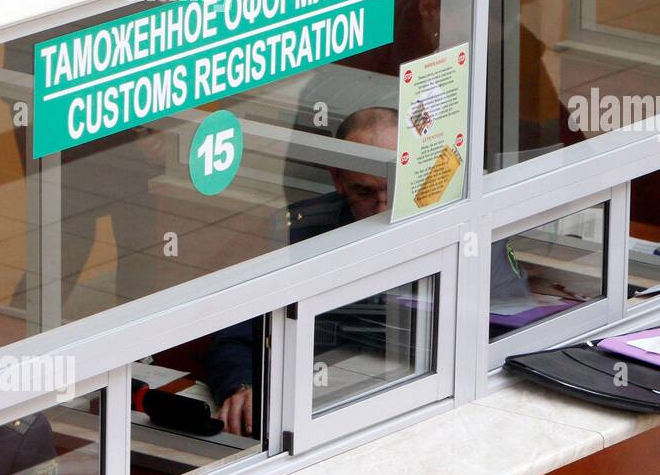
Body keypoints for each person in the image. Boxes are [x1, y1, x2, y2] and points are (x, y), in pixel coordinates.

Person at [206, 106, 530, 435]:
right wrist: (242, 386)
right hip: (312, 416)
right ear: (338, 179)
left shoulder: (467, 234)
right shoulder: (301, 233)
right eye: (365, 192)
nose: (381, 208)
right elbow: (237, 336)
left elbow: (513, 340)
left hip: (431, 412)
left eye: (395, 189)